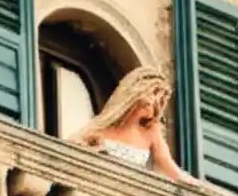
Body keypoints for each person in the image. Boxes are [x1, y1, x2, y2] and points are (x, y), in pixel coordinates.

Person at [70, 65, 199, 184]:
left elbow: (167, 163)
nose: (154, 103)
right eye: (153, 94)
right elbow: (72, 147)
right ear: (135, 92)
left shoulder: (151, 131)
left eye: (160, 101)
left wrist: (191, 181)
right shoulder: (100, 128)